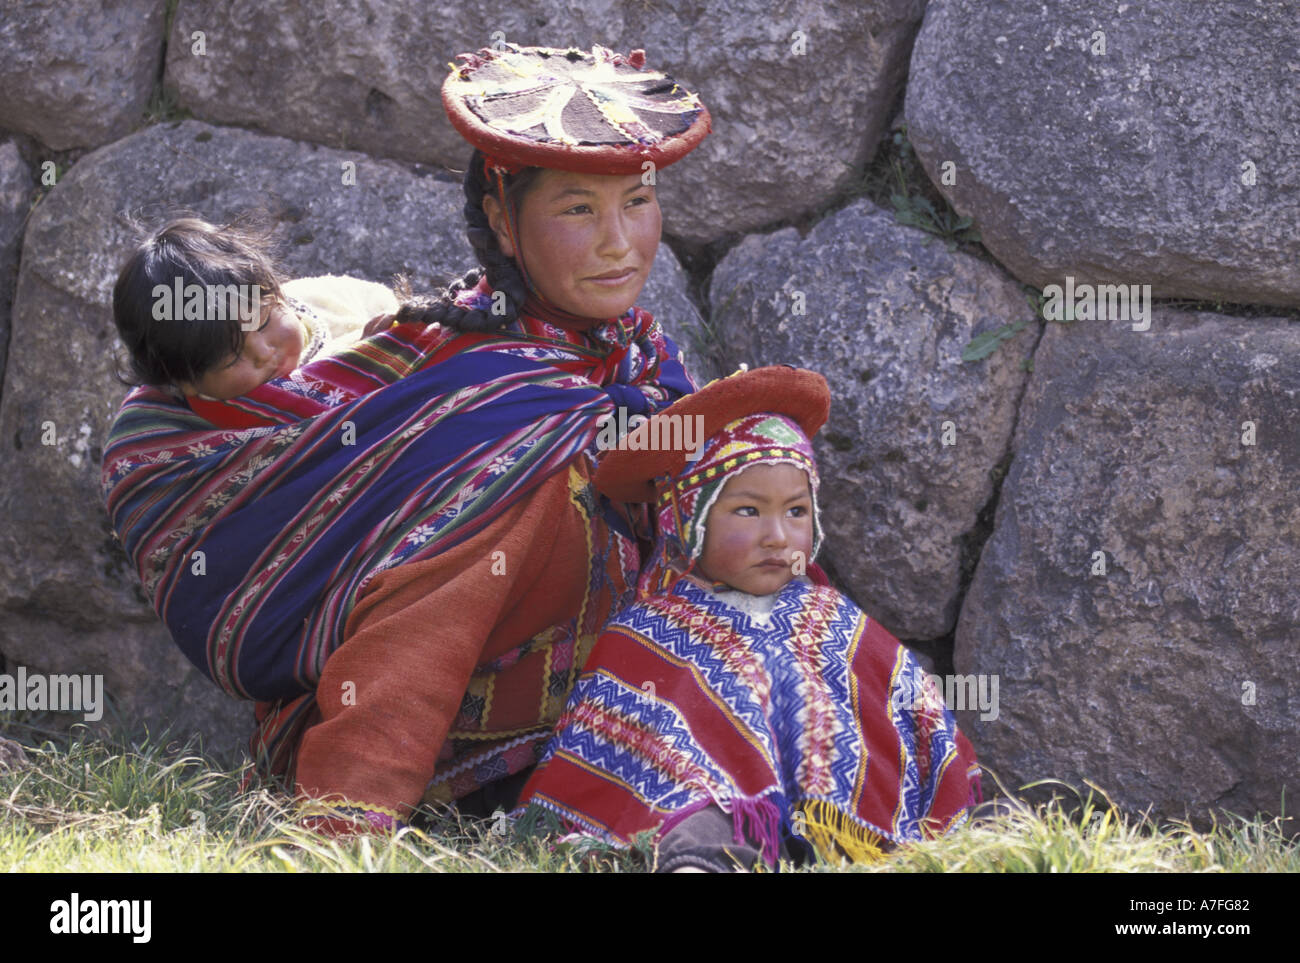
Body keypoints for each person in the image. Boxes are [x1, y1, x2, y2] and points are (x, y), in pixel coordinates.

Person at [101, 43, 711, 832]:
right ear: (502, 218)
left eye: (636, 200)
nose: (618, 243)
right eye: (577, 209)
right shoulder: (473, 401)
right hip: (460, 750)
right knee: (511, 489)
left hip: (637, 713)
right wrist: (345, 816)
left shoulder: (628, 357)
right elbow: (388, 534)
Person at [513, 366, 984, 870]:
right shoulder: (648, 629)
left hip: (835, 819)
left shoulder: (830, 616)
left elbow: (908, 706)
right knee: (697, 818)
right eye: (747, 511)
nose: (778, 536)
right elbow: (622, 738)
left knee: (982, 816)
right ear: (687, 517)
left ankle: (971, 835)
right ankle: (702, 858)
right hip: (703, 797)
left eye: (797, 511)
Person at [111, 216, 399, 406]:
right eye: (234, 356)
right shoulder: (175, 432)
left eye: (262, 322)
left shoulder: (336, 301)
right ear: (183, 381)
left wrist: (383, 348)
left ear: (275, 292)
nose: (264, 352)